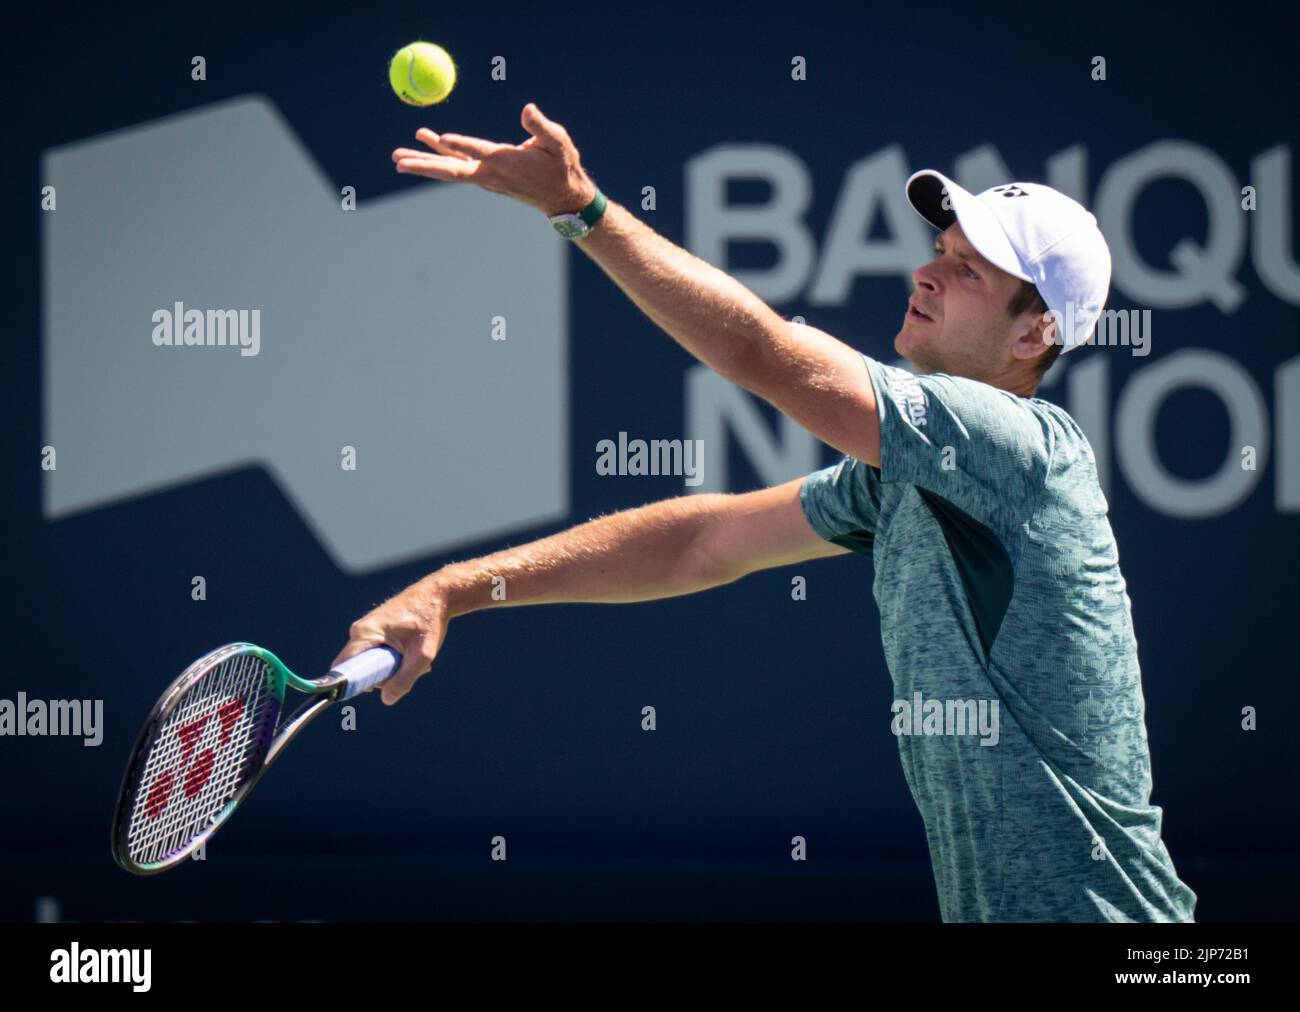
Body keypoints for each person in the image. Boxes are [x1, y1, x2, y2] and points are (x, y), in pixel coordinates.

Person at [333, 102, 1197, 923]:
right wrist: (453, 588)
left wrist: (580, 209)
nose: (926, 273)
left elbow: (763, 353)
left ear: (1032, 334)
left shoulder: (1022, 450)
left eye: (967, 271)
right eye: (939, 249)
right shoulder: (912, 478)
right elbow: (700, 543)